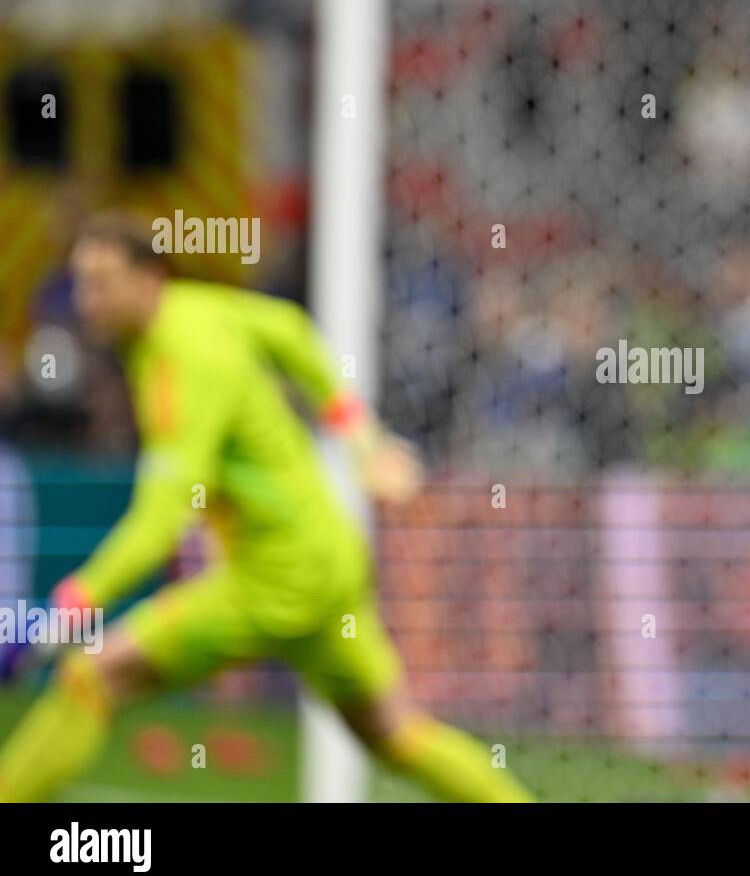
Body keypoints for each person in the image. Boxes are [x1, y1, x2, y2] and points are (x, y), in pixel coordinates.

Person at [0, 213, 533, 803]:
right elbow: (289, 329)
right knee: (395, 733)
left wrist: (71, 607)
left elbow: (160, 520)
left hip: (274, 577)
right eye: (81, 281)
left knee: (91, 675)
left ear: (147, 279)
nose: (85, 300)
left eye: (101, 282)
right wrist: (357, 432)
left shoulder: (185, 367)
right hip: (328, 557)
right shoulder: (196, 308)